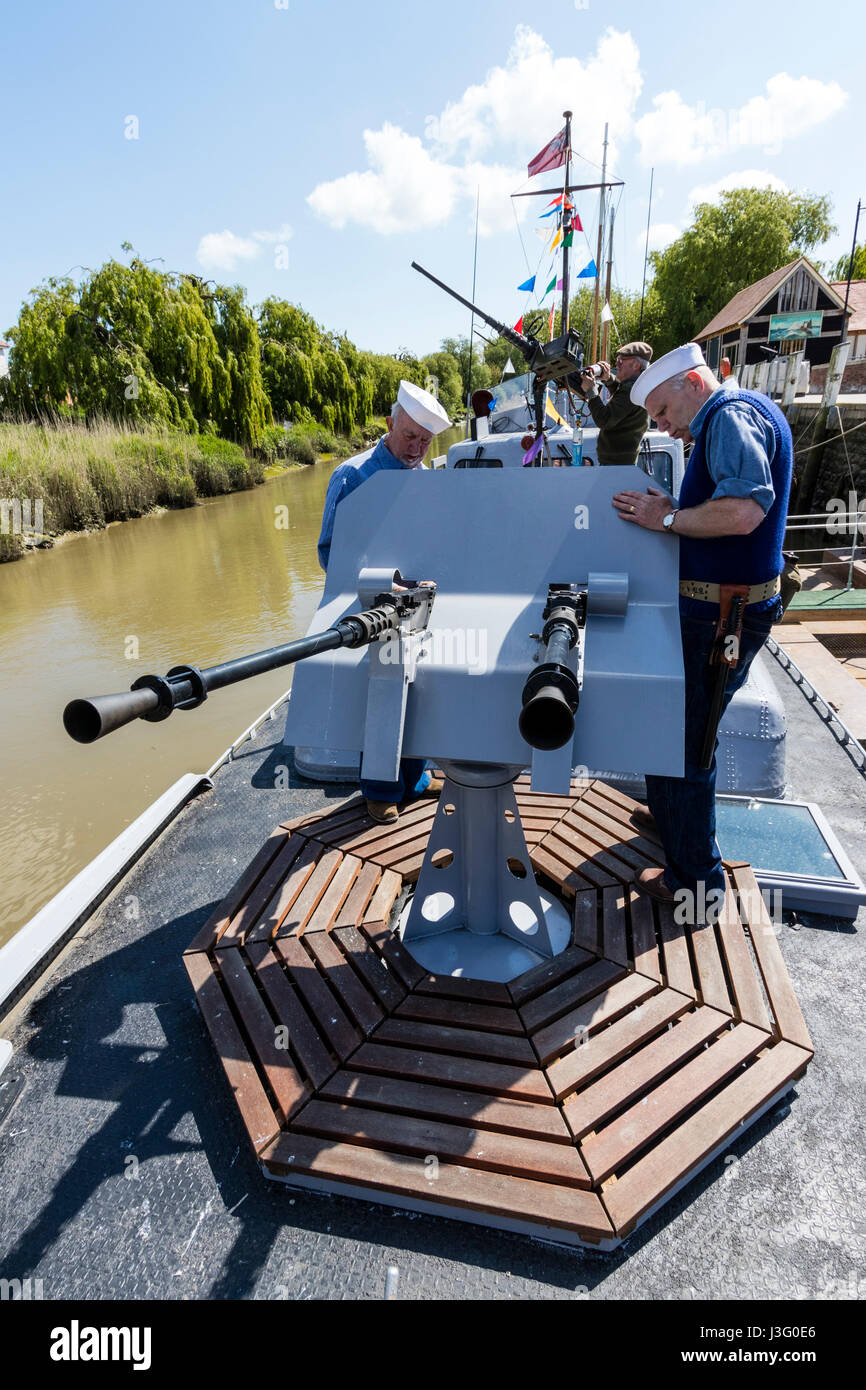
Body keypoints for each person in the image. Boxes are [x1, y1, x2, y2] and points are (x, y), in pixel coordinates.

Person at [610, 342, 792, 922]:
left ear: (692, 383)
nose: (661, 425)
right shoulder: (732, 414)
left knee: (689, 739)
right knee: (673, 724)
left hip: (720, 617)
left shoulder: (727, 416)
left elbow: (744, 510)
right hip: (716, 611)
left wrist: (662, 518)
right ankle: (674, 820)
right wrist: (676, 505)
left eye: (662, 410)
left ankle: (698, 885)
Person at [317, 379, 451, 825]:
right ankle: (378, 790)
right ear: (389, 423)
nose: (417, 448)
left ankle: (413, 777)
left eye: (426, 441)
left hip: (421, 604)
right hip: (372, 606)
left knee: (420, 686)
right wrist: (381, 583)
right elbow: (328, 551)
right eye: (410, 436)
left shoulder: (429, 479)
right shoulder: (352, 475)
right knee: (382, 689)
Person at [578, 342, 653, 466]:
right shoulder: (638, 385)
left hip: (617, 464)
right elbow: (622, 397)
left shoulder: (631, 390)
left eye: (621, 360)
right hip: (622, 462)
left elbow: (604, 419)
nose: (617, 363)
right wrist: (608, 379)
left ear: (636, 365)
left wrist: (591, 390)